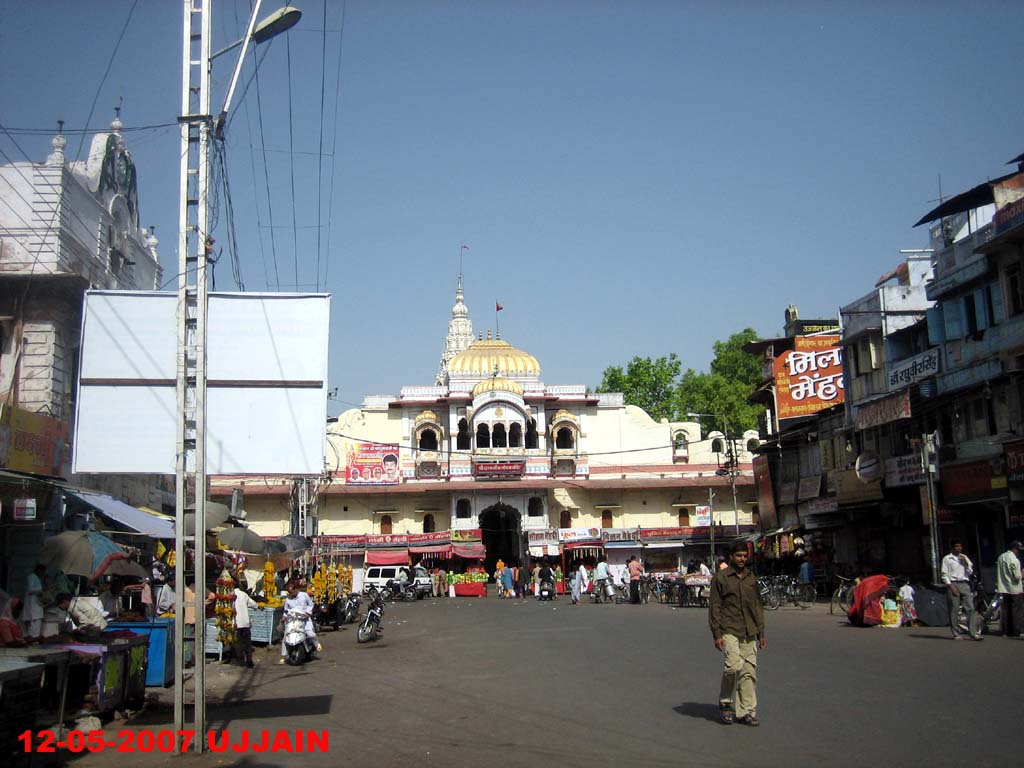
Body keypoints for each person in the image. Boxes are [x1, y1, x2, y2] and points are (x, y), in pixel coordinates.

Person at [708, 542, 766, 727]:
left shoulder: (751, 578)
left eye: (744, 556)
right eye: (739, 556)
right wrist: (716, 633)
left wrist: (761, 631)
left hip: (749, 630)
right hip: (729, 628)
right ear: (731, 556)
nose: (742, 559)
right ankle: (725, 702)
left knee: (748, 671)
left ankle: (746, 711)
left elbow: (757, 605)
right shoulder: (721, 578)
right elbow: (715, 607)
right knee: (733, 666)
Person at [941, 540, 982, 641]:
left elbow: (970, 571)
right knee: (954, 609)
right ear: (952, 548)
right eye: (956, 546)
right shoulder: (947, 558)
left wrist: (965, 563)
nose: (959, 548)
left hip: (964, 583)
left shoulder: (964, 557)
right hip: (953, 583)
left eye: (960, 546)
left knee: (970, 608)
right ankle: (956, 633)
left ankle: (973, 633)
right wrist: (951, 586)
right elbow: (944, 574)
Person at [279, 580, 320, 664]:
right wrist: (284, 618)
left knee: (310, 634)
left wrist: (308, 613)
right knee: (286, 637)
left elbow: (311, 604)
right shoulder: (288, 599)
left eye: (291, 592)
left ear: (295, 590)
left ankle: (316, 644)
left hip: (304, 619)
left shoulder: (304, 596)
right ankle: (283, 656)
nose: (290, 594)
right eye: (289, 593)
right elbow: (286, 611)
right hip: (293, 620)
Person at [995, 540, 1023, 639]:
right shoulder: (1015, 560)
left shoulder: (1001, 557)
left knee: (1005, 610)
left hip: (1003, 588)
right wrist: (1022, 573)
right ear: (1015, 549)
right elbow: (1017, 576)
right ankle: (1016, 631)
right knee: (1016, 610)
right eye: (1018, 550)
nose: (1019, 552)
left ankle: (1006, 631)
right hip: (1015, 589)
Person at [233, 581, 259, 667]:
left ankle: (240, 660)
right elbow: (252, 603)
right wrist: (258, 606)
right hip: (245, 622)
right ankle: (249, 660)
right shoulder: (243, 594)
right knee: (247, 642)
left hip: (237, 622)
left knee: (238, 642)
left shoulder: (231, 595)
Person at [23, 564, 46, 640]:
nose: (42, 574)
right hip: (32, 602)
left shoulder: (37, 578)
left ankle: (35, 637)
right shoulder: (32, 577)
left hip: (37, 602)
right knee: (34, 619)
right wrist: (39, 591)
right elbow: (30, 589)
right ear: (39, 570)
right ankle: (33, 637)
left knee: (38, 619)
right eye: (42, 571)